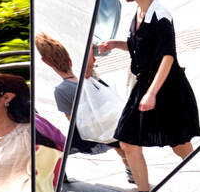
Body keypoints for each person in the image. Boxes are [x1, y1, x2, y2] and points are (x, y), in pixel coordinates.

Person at [97, 0, 200, 192]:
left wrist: (152, 93)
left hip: (167, 89)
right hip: (145, 85)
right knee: (128, 141)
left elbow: (167, 56)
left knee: (180, 145)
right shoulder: (140, 9)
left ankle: (199, 170)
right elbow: (142, 46)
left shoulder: (160, 15)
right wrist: (116, 44)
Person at [35, 32, 133, 182]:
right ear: (70, 60)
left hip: (90, 133)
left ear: (45, 62)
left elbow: (73, 121)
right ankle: (132, 172)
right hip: (110, 124)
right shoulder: (92, 79)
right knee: (119, 146)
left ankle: (60, 176)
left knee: (58, 147)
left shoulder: (61, 90)